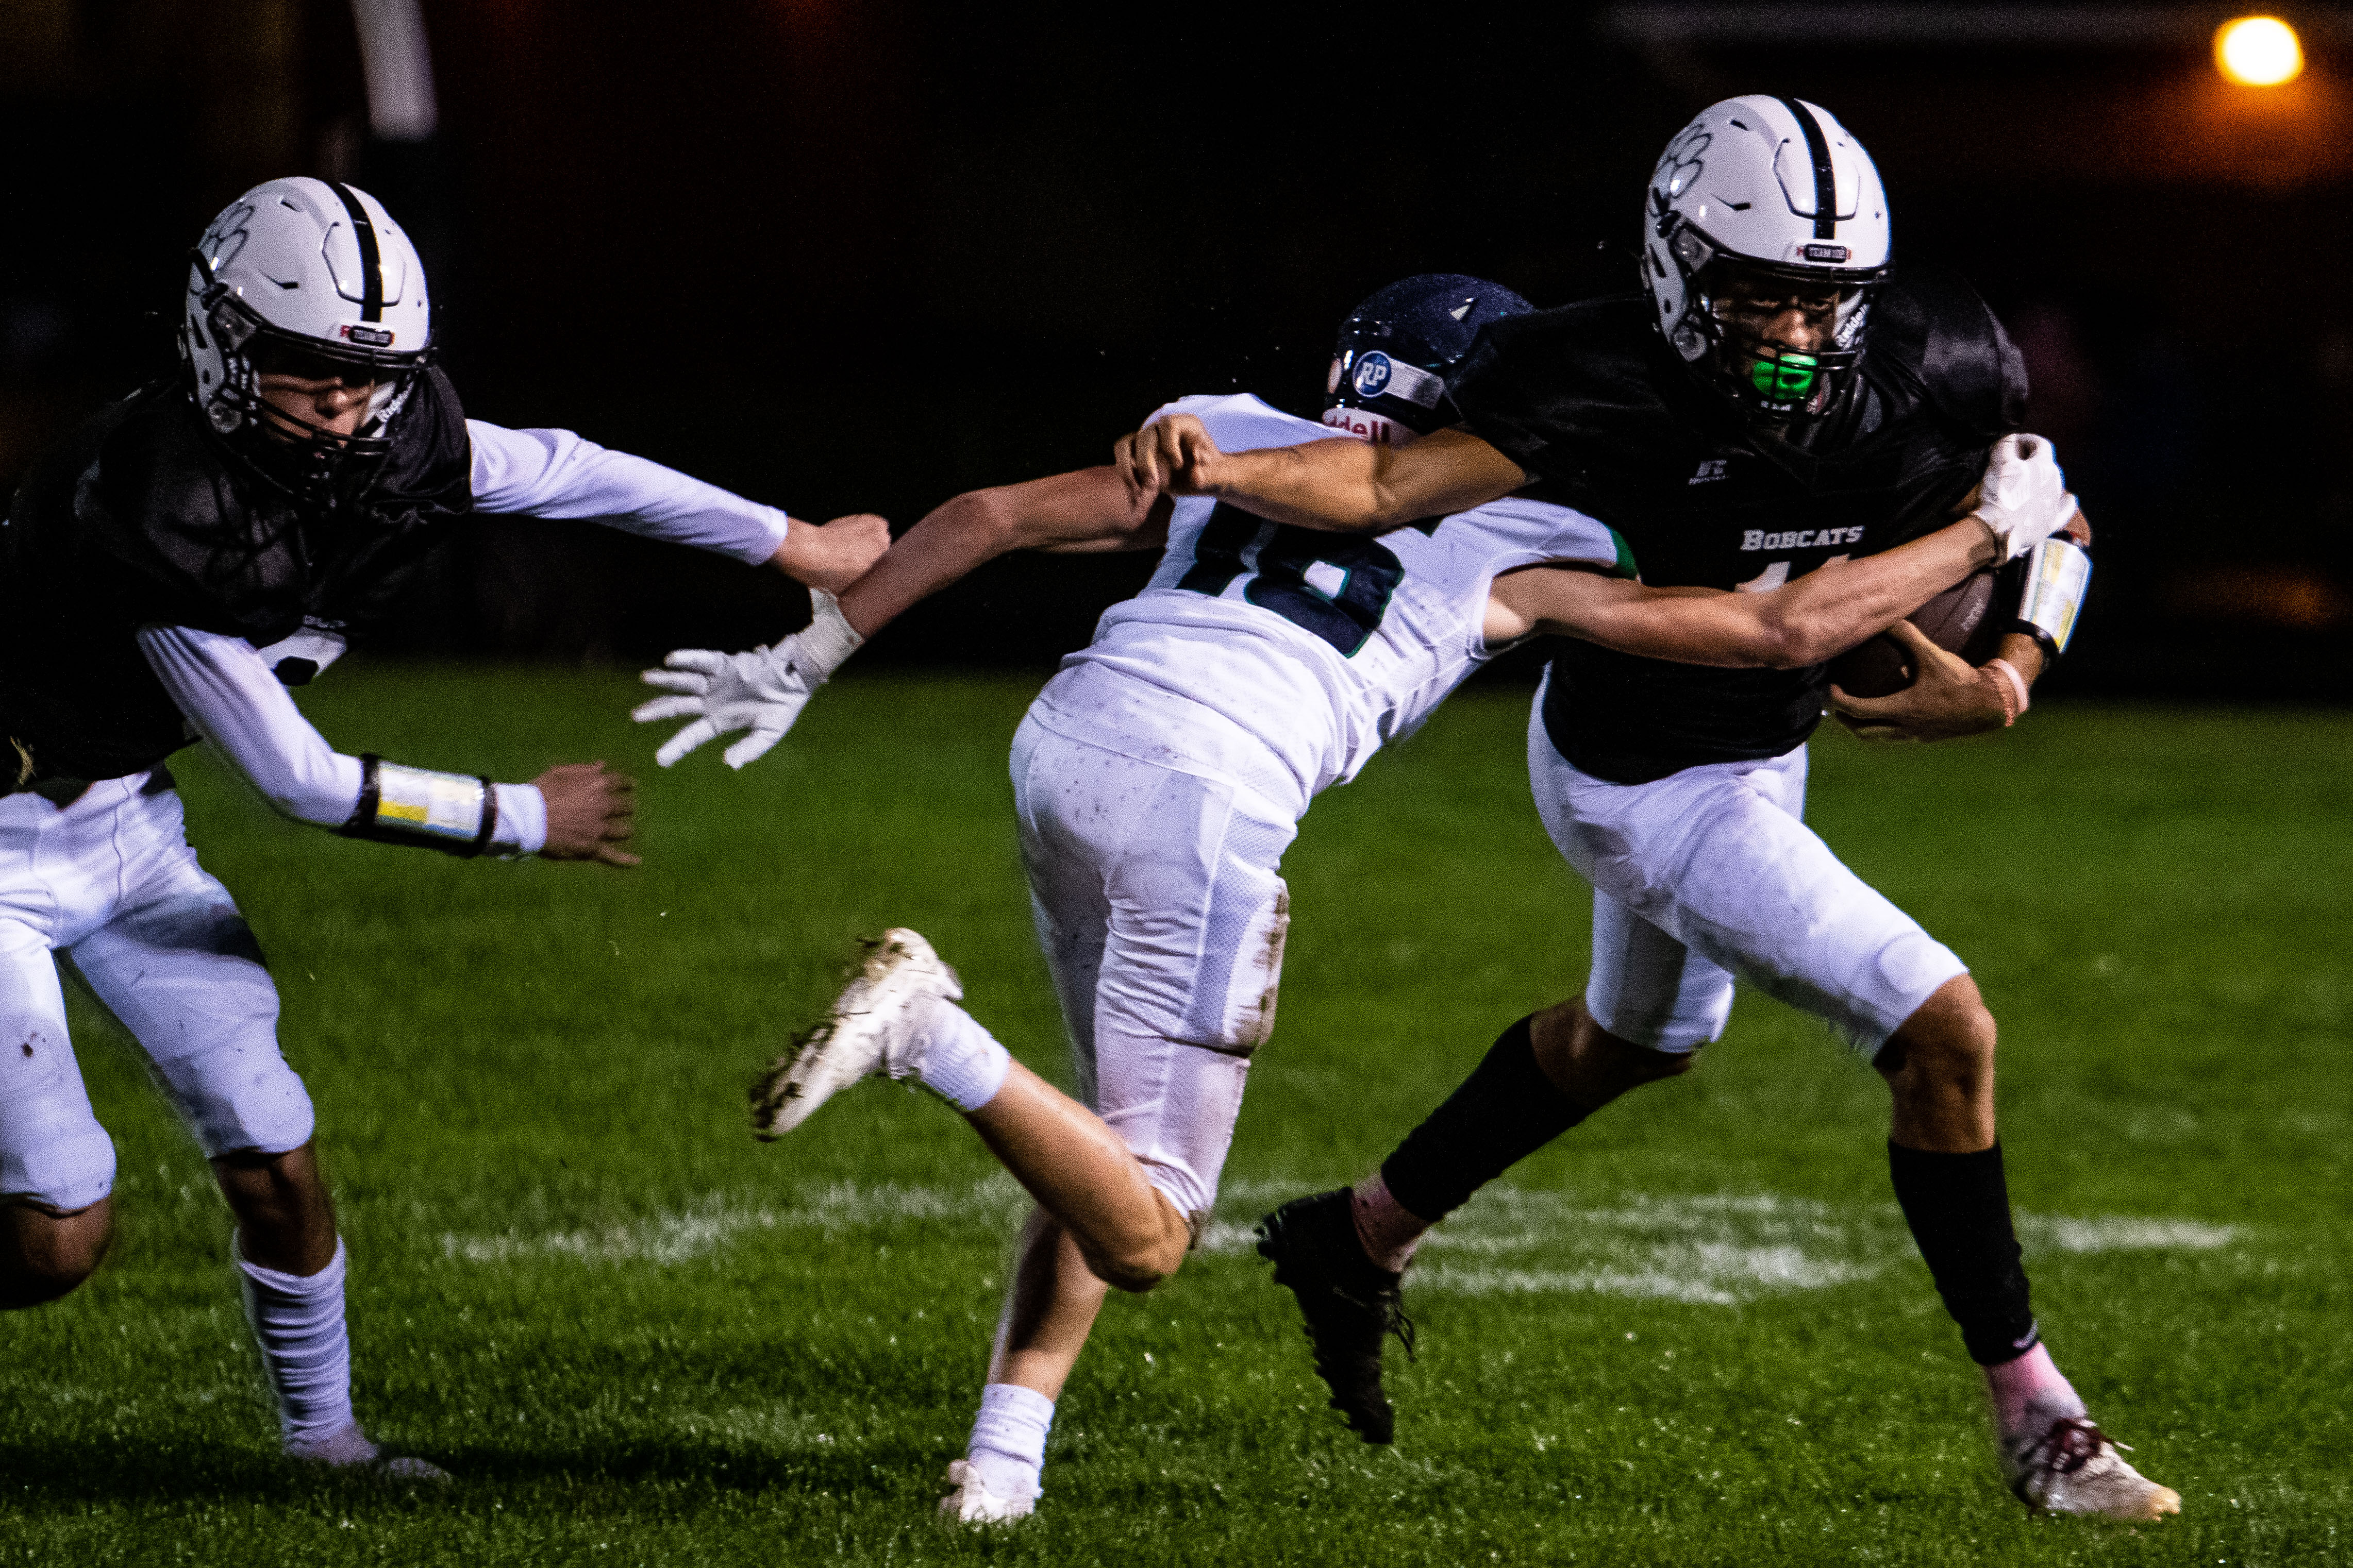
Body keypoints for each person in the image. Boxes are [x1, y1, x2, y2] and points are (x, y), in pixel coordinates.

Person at [637, 269, 2073, 1523]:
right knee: (1149, 1226)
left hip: (1060, 747)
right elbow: (1775, 631)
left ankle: (1003, 1459)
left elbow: (990, 515)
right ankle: (928, 1034)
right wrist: (1978, 555)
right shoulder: (1531, 533)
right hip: (1203, 805)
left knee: (1093, 1137)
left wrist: (809, 654)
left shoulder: (1228, 432)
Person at [1119, 97, 2154, 1522]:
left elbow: (2058, 516)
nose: (1795, 336)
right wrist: (1214, 462)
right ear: (1674, 266)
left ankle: (1353, 1236)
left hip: (1760, 744)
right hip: (1640, 774)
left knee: (1637, 1038)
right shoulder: (1587, 373)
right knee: (1945, 1030)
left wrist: (2013, 672)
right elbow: (1384, 481)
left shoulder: (1933, 356)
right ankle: (2040, 1417)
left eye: (1822, 303)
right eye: (1759, 297)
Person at [0, 177, 887, 1475]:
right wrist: (524, 817)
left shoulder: (386, 428)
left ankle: (326, 1445)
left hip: (124, 818)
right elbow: (298, 779)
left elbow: (571, 471)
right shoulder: (153, 503)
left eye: (370, 375)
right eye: (311, 370)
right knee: (57, 1237)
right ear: (219, 340)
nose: (345, 404)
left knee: (276, 1154)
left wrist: (792, 543)